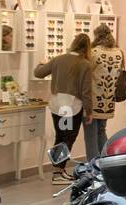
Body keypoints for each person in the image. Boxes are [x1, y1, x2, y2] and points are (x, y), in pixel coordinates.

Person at [34, 34, 93, 182]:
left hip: (57, 104)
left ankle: (58, 170)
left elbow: (39, 73)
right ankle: (58, 172)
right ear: (87, 47)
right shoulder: (85, 64)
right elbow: (86, 91)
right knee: (68, 138)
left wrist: (41, 64)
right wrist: (89, 110)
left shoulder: (58, 59)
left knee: (60, 136)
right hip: (72, 106)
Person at [85, 23, 126, 159]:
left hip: (93, 98)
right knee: (101, 130)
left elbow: (85, 72)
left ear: (97, 36)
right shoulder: (118, 52)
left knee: (90, 134)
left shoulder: (94, 52)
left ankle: (93, 165)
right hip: (108, 99)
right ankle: (107, 160)